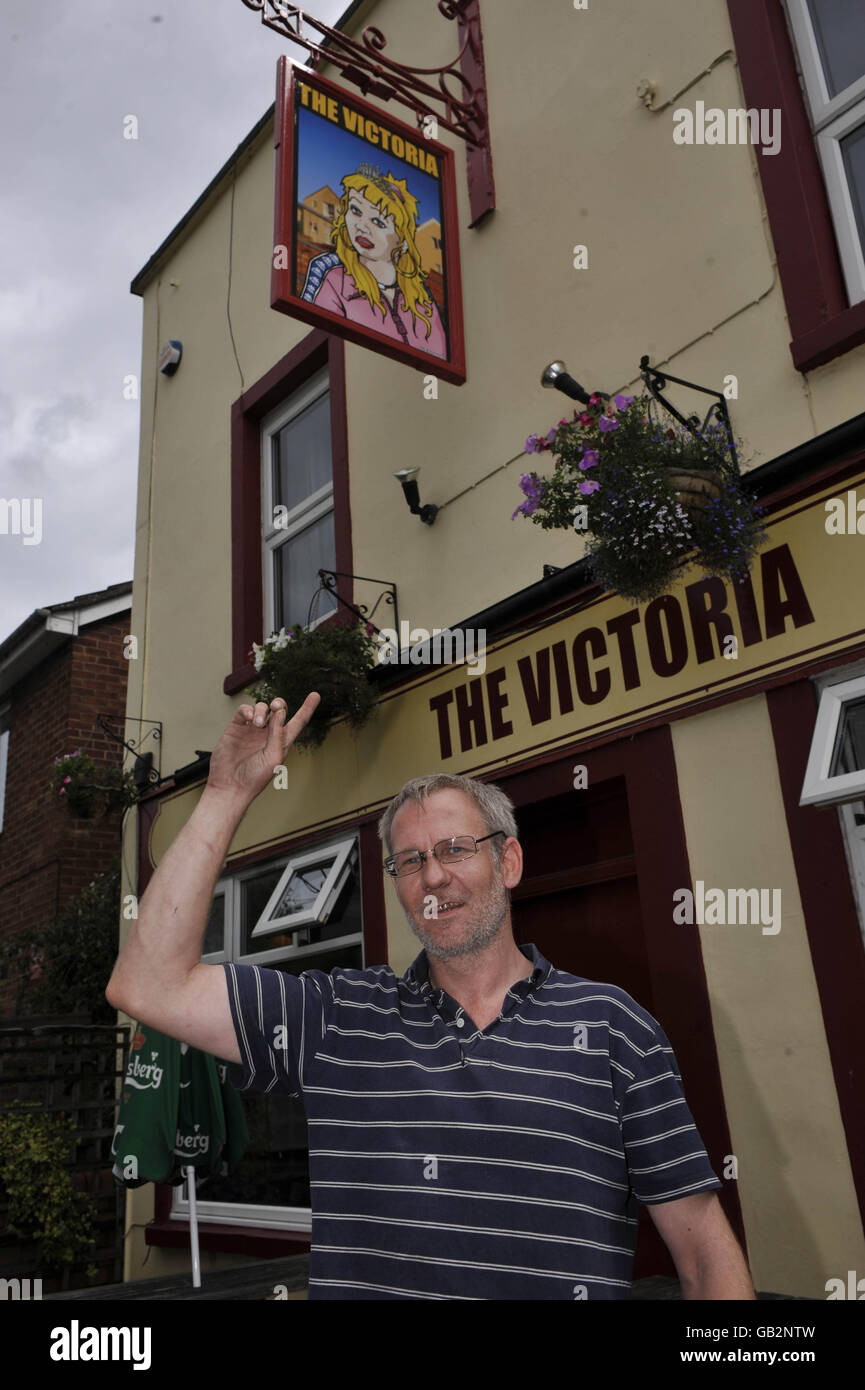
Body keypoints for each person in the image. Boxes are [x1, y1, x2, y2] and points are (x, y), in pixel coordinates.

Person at [106, 693, 756, 1301]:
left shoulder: (615, 1028)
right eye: (409, 861)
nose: (433, 876)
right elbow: (148, 985)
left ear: (508, 864)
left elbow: (702, 1254)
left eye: (453, 849)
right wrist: (225, 794)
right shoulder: (336, 1019)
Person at [301, 166, 447, 359]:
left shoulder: (422, 301)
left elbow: (440, 358)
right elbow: (326, 357)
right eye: (355, 210)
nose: (362, 227)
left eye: (378, 222)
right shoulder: (333, 280)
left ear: (402, 242)